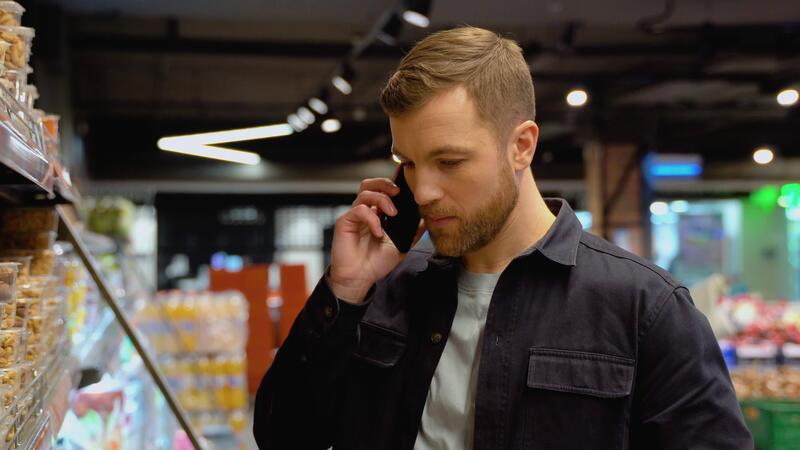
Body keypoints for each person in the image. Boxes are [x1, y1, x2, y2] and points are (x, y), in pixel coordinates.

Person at [254, 26, 753, 450]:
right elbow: (284, 435)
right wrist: (344, 291)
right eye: (407, 162)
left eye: (449, 162)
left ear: (522, 146)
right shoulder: (385, 292)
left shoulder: (646, 309)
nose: (422, 190)